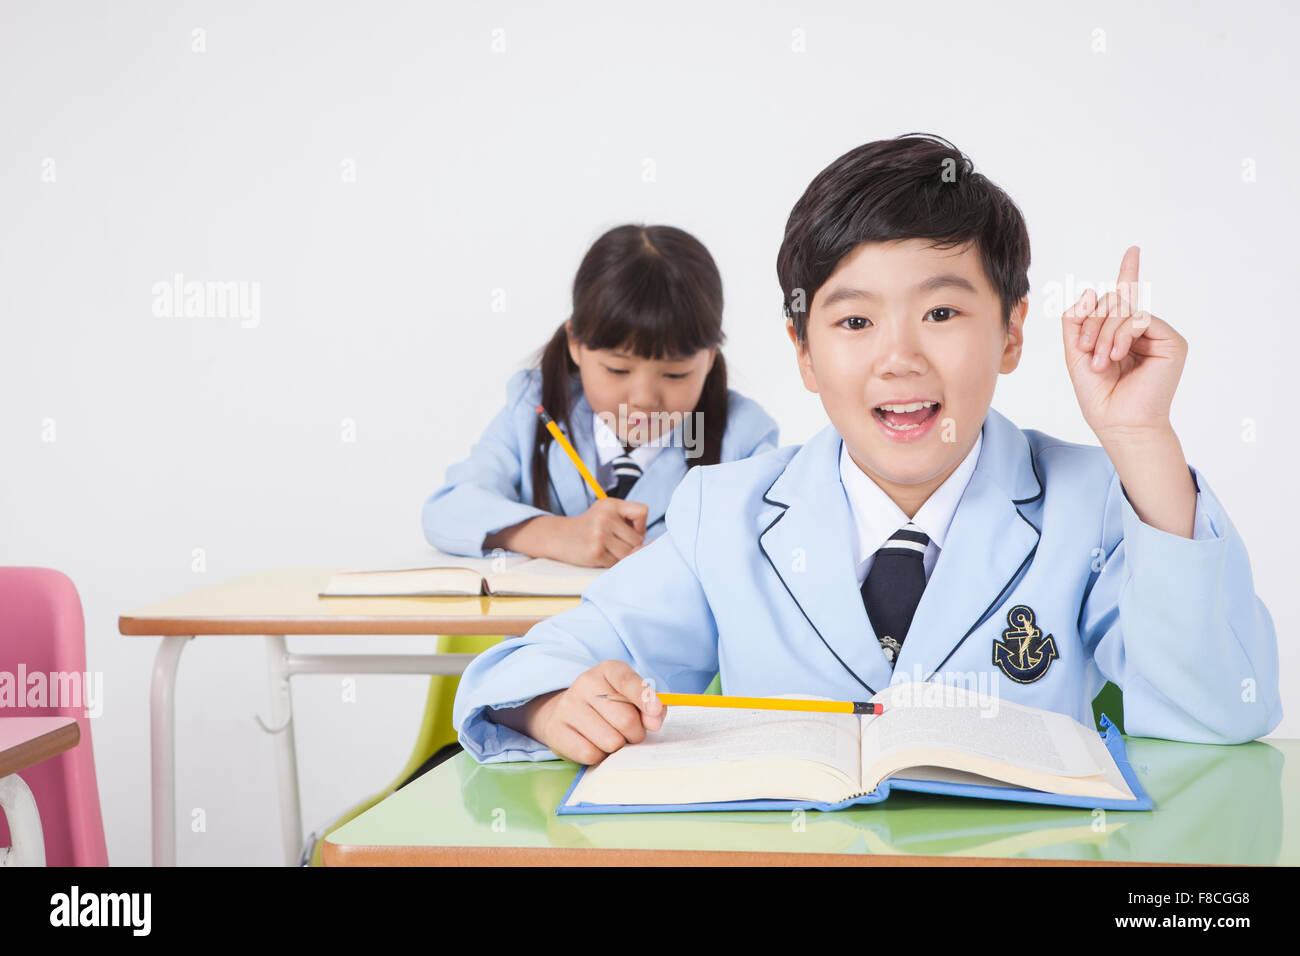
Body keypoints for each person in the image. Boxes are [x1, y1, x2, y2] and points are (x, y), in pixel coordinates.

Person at [453, 134, 1281, 763]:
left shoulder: (1097, 500)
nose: (899, 357)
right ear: (804, 353)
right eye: (854, 322)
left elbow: (1222, 708)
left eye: (942, 314)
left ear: (1012, 333)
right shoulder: (720, 512)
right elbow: (540, 661)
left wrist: (1142, 444)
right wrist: (553, 702)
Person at [422, 223, 780, 567]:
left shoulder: (744, 437)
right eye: (617, 369)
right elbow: (449, 509)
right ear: (575, 344)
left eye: (675, 373)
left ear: (710, 358)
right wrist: (556, 535)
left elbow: (775, 538)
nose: (643, 399)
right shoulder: (530, 409)